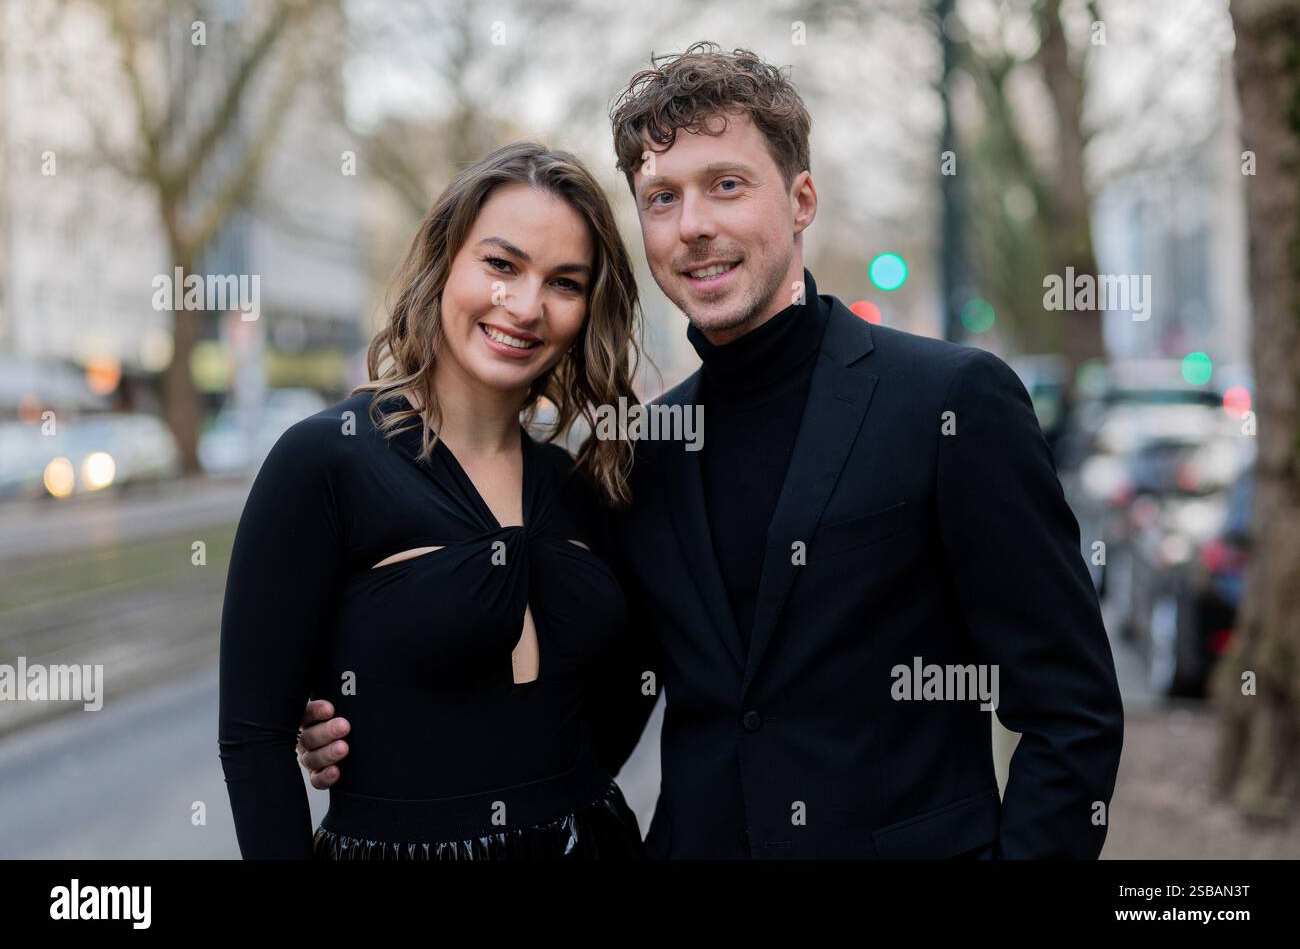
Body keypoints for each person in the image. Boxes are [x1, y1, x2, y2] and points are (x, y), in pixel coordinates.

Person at [297, 43, 1125, 859]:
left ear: (801, 200)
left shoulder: (950, 402)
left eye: (726, 186)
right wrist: (373, 731)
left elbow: (1071, 709)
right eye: (661, 198)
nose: (694, 226)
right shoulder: (641, 451)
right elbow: (580, 710)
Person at [217, 140, 648, 860]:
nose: (526, 305)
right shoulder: (326, 460)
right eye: (502, 265)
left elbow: (633, 686)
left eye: (565, 282)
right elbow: (253, 741)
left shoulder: (585, 484)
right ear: (447, 260)